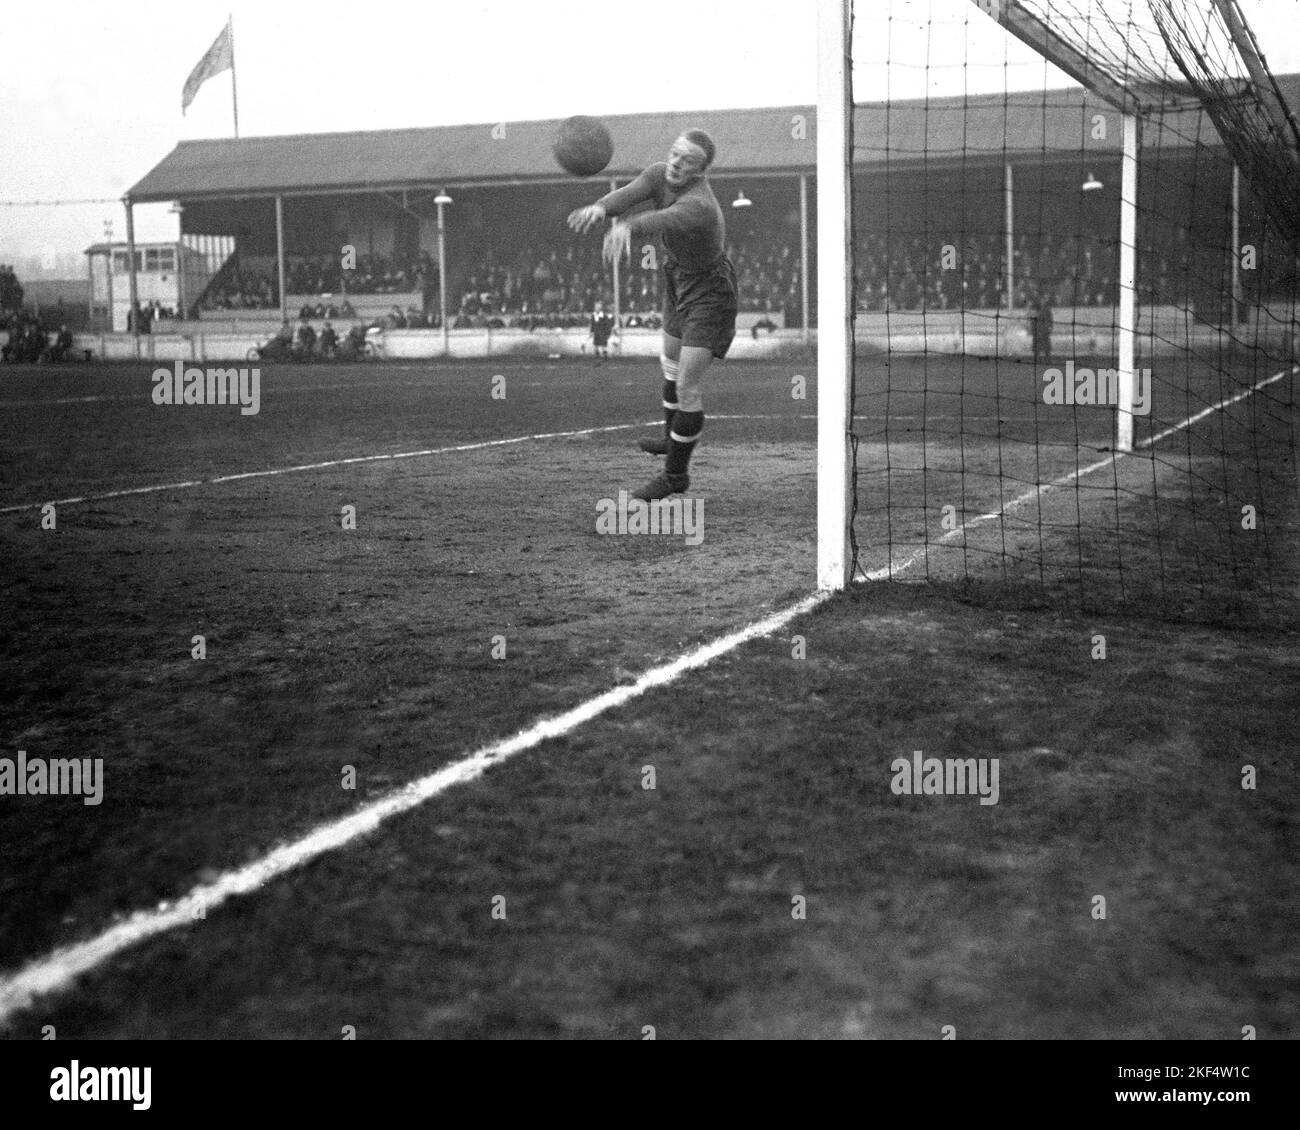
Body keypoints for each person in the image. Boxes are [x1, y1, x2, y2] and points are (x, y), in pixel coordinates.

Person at [568, 128, 737, 500]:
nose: (676, 163)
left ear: (700, 171)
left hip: (710, 294)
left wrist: (627, 227)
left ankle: (675, 476)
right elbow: (630, 194)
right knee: (670, 368)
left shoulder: (699, 204)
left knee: (687, 388)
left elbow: (663, 220)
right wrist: (601, 208)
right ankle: (669, 437)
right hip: (677, 280)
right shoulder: (659, 172)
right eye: (675, 154)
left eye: (687, 161)